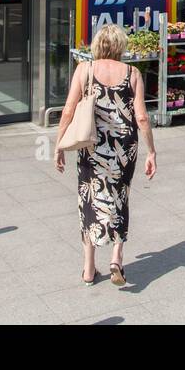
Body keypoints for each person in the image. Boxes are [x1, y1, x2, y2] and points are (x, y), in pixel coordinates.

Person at [56, 23, 157, 287]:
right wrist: (152, 151)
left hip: (92, 146)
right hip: (124, 147)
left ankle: (89, 269)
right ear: (120, 46)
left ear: (98, 45)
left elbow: (68, 110)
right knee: (119, 196)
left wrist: (59, 144)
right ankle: (116, 257)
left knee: (89, 199)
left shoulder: (85, 70)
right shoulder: (133, 73)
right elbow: (142, 117)